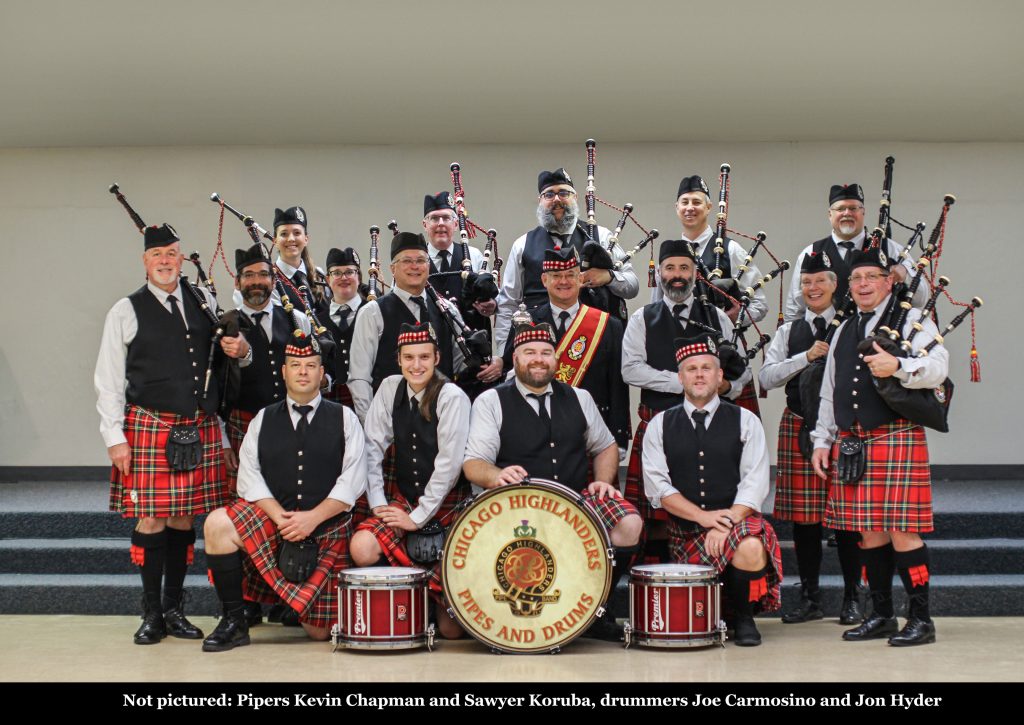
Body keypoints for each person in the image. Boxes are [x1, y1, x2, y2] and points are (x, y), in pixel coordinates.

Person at [95, 222, 248, 644]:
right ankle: (151, 615)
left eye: (172, 253)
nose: (165, 261)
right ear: (145, 261)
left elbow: (216, 368)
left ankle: (174, 609)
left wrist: (218, 433)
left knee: (183, 519)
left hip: (197, 426)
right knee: (151, 518)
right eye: (157, 255)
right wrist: (114, 436)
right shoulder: (125, 310)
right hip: (148, 426)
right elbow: (108, 379)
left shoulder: (201, 301)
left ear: (182, 259)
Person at [811, 247, 948, 646]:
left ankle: (921, 619)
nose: (864, 284)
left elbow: (939, 367)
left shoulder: (913, 320)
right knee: (868, 534)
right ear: (848, 286)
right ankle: (883, 615)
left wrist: (900, 368)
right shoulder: (844, 328)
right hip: (854, 441)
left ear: (889, 281)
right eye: (856, 279)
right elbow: (830, 389)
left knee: (904, 532)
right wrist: (823, 439)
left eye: (872, 276)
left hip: (896, 437)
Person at [201, 334, 367, 651]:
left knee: (319, 634)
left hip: (325, 530)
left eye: (310, 366)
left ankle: (294, 602)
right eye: (295, 366)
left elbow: (352, 481)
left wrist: (311, 519)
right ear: (284, 372)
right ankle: (234, 621)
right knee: (217, 523)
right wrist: (281, 518)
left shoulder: (345, 418)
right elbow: (249, 479)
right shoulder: (263, 419)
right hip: (276, 523)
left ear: (322, 374)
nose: (303, 372)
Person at [464, 322, 643, 606]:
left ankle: (599, 603)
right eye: (529, 352)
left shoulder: (579, 397)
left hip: (575, 501)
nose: (539, 359)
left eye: (546, 352)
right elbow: (473, 464)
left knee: (629, 523)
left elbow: (606, 446)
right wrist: (497, 474)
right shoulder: (491, 401)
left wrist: (602, 479)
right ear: (516, 358)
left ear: (556, 359)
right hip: (517, 504)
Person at [642, 333, 781, 646]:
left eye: (707, 368)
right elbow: (658, 488)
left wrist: (727, 521)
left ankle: (743, 617)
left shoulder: (746, 420)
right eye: (692, 369)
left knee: (748, 547)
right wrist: (704, 518)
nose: (700, 375)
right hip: (687, 526)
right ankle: (719, 612)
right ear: (680, 377)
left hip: (737, 516)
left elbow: (755, 481)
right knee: (732, 543)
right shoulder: (659, 425)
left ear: (720, 376)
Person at [621, 239, 751, 562]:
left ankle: (709, 583)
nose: (677, 275)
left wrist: (727, 387)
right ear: (660, 274)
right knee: (655, 517)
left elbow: (743, 371)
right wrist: (688, 386)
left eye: (684, 268)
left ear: (695, 273)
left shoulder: (718, 316)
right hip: (658, 426)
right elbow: (631, 369)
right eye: (670, 268)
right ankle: (658, 586)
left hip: (711, 431)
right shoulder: (642, 318)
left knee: (708, 507)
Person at [758, 250, 862, 625]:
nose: (813, 287)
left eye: (820, 280)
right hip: (800, 424)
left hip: (845, 429)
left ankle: (853, 597)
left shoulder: (853, 325)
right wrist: (805, 356)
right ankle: (810, 597)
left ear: (835, 286)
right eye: (806, 282)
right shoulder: (790, 331)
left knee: (849, 518)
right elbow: (767, 378)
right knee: (805, 522)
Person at [349, 322, 471, 639]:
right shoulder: (390, 388)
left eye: (424, 357)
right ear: (399, 359)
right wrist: (378, 504)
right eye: (409, 357)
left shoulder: (451, 396)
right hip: (402, 496)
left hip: (446, 503)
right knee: (362, 546)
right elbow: (372, 447)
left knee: (452, 632)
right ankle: (405, 605)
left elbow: (449, 465)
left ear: (437, 358)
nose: (416, 365)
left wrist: (416, 518)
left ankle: (436, 602)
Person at [652, 174, 768, 416]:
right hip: (676, 349)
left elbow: (759, 304)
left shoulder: (731, 249)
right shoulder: (668, 255)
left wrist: (732, 318)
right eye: (685, 202)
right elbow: (657, 306)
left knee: (731, 430)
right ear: (676, 208)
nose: (690, 208)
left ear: (709, 207)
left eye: (696, 202)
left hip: (724, 351)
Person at [500, 247, 630, 452]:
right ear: (544, 280)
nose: (564, 281)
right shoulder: (526, 321)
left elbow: (617, 385)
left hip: (594, 431)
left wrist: (619, 438)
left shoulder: (607, 325)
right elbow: (510, 373)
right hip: (536, 430)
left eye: (570, 275)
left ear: (580, 279)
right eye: (556, 275)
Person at [494, 168, 639, 351]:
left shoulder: (601, 237)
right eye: (549, 194)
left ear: (575, 198)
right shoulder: (522, 245)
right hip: (540, 346)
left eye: (563, 193)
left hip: (594, 344)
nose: (556, 199)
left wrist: (608, 276)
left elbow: (632, 285)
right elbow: (508, 303)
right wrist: (503, 352)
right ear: (540, 201)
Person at [347, 231, 466, 422]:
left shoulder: (447, 309)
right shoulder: (373, 312)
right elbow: (359, 377)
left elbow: (459, 365)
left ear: (428, 266)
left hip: (442, 420)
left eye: (421, 260)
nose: (415, 267)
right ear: (392, 268)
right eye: (407, 261)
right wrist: (372, 425)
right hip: (393, 423)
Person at [225, 243, 310, 483]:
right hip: (242, 425)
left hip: (292, 422)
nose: (256, 281)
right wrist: (223, 442)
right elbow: (219, 391)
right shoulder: (226, 325)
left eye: (263, 275)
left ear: (273, 282)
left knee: (293, 494)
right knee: (246, 500)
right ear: (237, 282)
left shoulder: (297, 319)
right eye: (249, 275)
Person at [783, 183, 922, 322]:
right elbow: (795, 307)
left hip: (878, 338)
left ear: (863, 212)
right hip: (825, 339)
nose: (847, 213)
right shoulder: (811, 252)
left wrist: (905, 274)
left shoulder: (890, 249)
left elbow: (921, 297)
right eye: (840, 208)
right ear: (830, 214)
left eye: (853, 208)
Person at [422, 190, 503, 397]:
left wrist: (491, 306)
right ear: (425, 225)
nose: (441, 223)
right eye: (434, 218)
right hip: (430, 361)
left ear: (456, 224)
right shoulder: (416, 262)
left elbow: (497, 302)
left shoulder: (473, 256)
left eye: (446, 218)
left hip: (475, 363)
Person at [321, 246, 364, 408]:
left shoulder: (375, 313)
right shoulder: (316, 321)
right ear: (327, 279)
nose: (343, 277)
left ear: (358, 277)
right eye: (336, 273)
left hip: (371, 396)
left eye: (349, 272)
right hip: (331, 401)